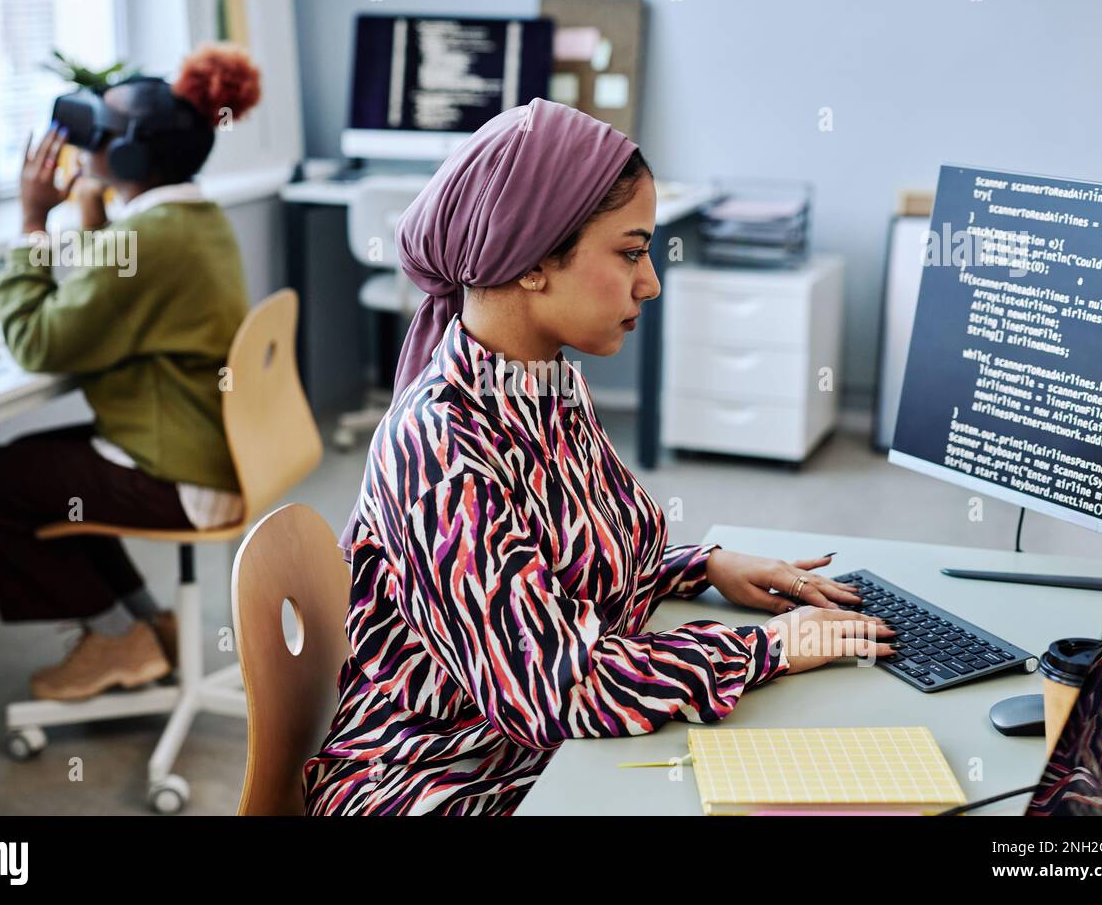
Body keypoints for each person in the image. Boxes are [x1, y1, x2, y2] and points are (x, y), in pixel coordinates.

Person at [305, 98, 894, 815]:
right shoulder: (438, 447)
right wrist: (765, 651)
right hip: (441, 780)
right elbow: (560, 687)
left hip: (547, 754)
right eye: (629, 251)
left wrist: (702, 565)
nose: (649, 281)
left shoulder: (545, 381)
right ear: (532, 262)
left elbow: (570, 561)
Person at [0, 43, 261, 702]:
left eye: (100, 129)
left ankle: (116, 635)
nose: (81, 140)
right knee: (41, 473)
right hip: (215, 454)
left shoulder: (149, 240)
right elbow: (129, 295)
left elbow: (38, 342)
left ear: (125, 157)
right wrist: (94, 222)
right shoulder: (194, 218)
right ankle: (145, 625)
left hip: (184, 476)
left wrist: (33, 220)